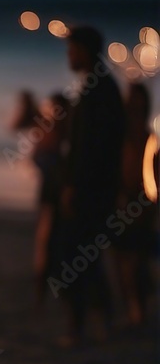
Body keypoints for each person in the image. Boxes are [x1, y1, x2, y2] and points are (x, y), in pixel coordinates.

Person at [55, 25, 125, 343]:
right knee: (85, 256)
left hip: (91, 191)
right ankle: (94, 323)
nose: (68, 55)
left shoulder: (100, 89)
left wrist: (75, 185)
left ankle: (85, 325)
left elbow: (95, 147)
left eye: (72, 49)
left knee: (79, 255)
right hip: (94, 189)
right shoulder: (98, 86)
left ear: (84, 49)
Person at [114, 83, 155, 326]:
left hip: (141, 203)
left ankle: (137, 306)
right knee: (121, 257)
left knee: (137, 259)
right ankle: (130, 304)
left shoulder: (149, 137)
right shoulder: (120, 136)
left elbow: (153, 174)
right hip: (120, 200)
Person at [30, 93, 70, 306]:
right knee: (45, 244)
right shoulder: (48, 133)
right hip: (49, 195)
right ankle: (41, 294)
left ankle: (46, 293)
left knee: (55, 245)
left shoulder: (70, 137)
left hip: (61, 196)